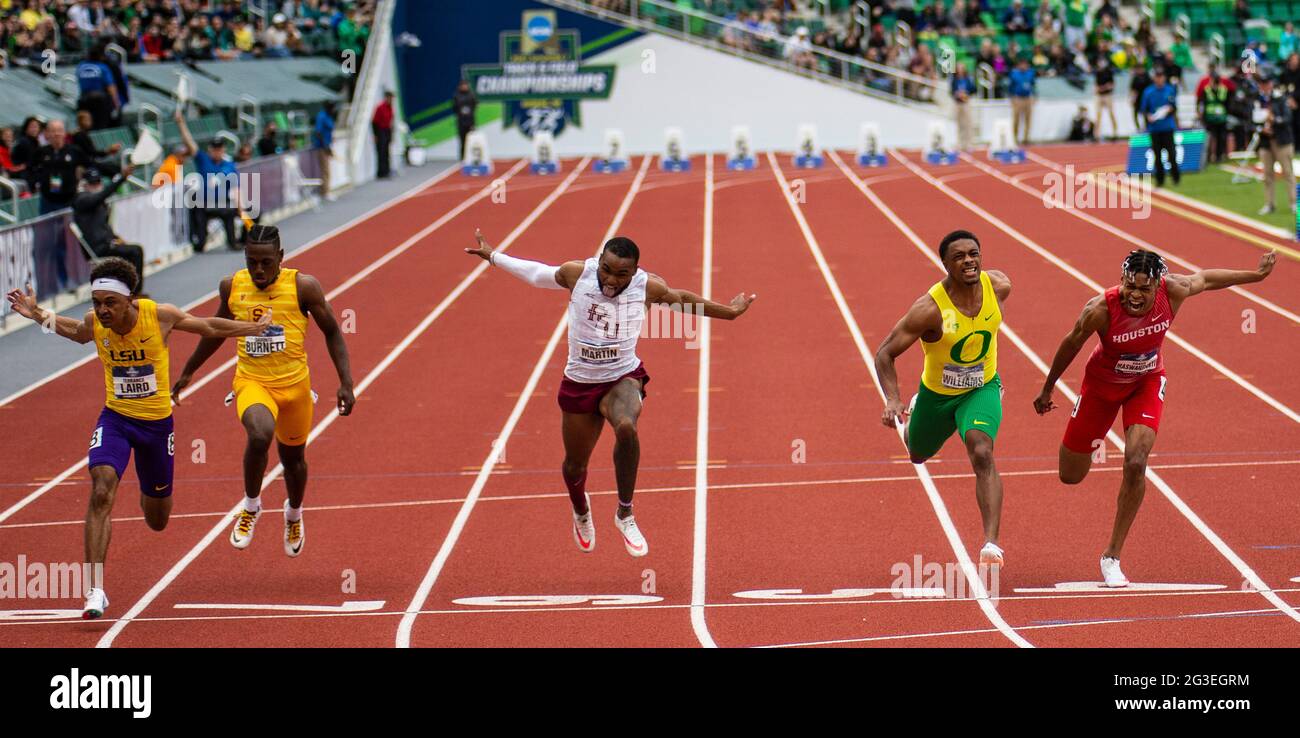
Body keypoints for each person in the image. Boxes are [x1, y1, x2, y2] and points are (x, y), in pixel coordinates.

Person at [4, 259, 268, 619]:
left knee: (157, 519)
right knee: (101, 488)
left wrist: (251, 328)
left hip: (157, 428)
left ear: (129, 299)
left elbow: (207, 325)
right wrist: (37, 315)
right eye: (96, 302)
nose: (101, 310)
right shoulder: (95, 323)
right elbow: (76, 332)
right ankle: (95, 589)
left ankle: (150, 494)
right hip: (116, 419)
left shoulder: (159, 316)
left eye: (109, 302)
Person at [465, 232, 756, 556]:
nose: (611, 279)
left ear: (634, 272)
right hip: (579, 382)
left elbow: (682, 299)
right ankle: (580, 510)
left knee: (627, 427)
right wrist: (493, 256)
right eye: (607, 269)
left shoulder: (648, 287)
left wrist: (728, 312)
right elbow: (536, 274)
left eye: (621, 274)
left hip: (622, 377)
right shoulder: (577, 274)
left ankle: (625, 513)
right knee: (575, 466)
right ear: (598, 261)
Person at [1034, 249, 1277, 587]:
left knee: (1136, 461)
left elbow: (1206, 278)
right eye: (1129, 286)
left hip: (1146, 383)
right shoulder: (1100, 309)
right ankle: (1087, 449)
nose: (1134, 295)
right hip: (1101, 389)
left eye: (1144, 290)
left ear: (1157, 286)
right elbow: (1071, 342)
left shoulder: (1173, 290)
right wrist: (1048, 388)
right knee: (1070, 475)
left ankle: (1112, 556)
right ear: (1122, 280)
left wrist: (1256, 275)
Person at [173, 225, 355, 556]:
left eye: (266, 262)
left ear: (281, 258)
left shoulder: (304, 287)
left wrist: (346, 382)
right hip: (252, 381)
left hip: (295, 385)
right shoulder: (232, 286)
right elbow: (215, 329)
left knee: (293, 459)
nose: (258, 270)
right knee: (259, 435)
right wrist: (189, 371)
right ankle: (251, 506)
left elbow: (332, 331)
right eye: (252, 261)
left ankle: (294, 513)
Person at [876, 230, 1013, 568]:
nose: (969, 261)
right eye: (959, 257)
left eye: (973, 253)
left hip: (981, 387)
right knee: (918, 455)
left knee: (981, 449)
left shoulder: (998, 286)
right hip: (937, 396)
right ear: (946, 264)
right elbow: (884, 353)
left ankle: (991, 544)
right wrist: (893, 399)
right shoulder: (929, 310)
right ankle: (915, 409)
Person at [72, 166, 147, 293]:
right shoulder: (81, 200)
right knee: (136, 251)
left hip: (107, 243)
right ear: (85, 184)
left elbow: (103, 226)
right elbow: (99, 197)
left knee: (134, 250)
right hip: (99, 248)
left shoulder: (98, 201)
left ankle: (128, 289)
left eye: (98, 182)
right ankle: (134, 293)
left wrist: (116, 238)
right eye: (93, 183)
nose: (97, 185)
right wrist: (121, 178)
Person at [192, 137, 245, 251]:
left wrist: (240, 208)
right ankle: (200, 241)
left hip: (222, 203)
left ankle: (234, 241)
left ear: (223, 149)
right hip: (204, 203)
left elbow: (236, 188)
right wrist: (181, 123)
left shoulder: (229, 166)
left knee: (233, 211)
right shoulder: (203, 160)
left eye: (219, 149)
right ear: (210, 150)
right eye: (214, 149)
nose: (217, 151)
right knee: (196, 206)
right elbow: (191, 145)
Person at [1253, 71, 1296, 214]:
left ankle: (1293, 203)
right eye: (1262, 83)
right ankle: (1269, 204)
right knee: (1267, 175)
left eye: (1266, 83)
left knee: (1288, 173)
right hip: (1265, 141)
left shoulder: (1280, 98)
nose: (1264, 86)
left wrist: (1275, 120)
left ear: (1271, 84)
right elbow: (1251, 119)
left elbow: (1288, 118)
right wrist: (1261, 129)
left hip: (1282, 140)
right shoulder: (1257, 99)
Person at [1138, 66, 1180, 187]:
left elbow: (1174, 106)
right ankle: (1160, 180)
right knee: (1157, 155)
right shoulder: (1148, 92)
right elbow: (1143, 109)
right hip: (1154, 129)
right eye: (1157, 76)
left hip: (1167, 127)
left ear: (1164, 77)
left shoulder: (1169, 90)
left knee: (1171, 154)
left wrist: (1169, 110)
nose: (1159, 79)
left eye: (1161, 76)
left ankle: (1175, 177)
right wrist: (1148, 117)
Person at [75, 43, 120, 131]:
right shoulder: (103, 67)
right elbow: (111, 87)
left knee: (85, 127)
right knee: (100, 127)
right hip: (100, 102)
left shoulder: (81, 66)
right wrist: (116, 103)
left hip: (84, 100)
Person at [1197, 65, 1234, 164]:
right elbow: (1201, 101)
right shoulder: (1207, 89)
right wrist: (1201, 114)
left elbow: (1228, 101)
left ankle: (1218, 156)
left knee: (1220, 137)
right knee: (1210, 137)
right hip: (1209, 117)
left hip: (1221, 118)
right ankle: (1208, 156)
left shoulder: (1223, 89)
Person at [1009, 56, 1037, 144]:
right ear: (1019, 65)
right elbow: (1010, 86)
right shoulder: (1014, 73)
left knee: (1028, 119)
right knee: (1016, 119)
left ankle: (1026, 138)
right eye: (1022, 64)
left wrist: (1034, 96)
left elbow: (1033, 85)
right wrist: (1012, 97)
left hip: (1028, 98)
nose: (1023, 66)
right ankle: (1014, 138)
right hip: (1018, 98)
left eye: (1025, 65)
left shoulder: (1030, 73)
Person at [312, 102, 335, 201]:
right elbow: (318, 132)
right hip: (322, 147)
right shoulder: (321, 116)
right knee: (325, 170)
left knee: (326, 170)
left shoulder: (329, 116)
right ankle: (325, 192)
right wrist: (325, 145)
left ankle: (324, 191)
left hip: (327, 146)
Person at [951, 63, 977, 150]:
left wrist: (966, 93)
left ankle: (969, 143)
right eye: (959, 68)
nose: (960, 70)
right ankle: (959, 143)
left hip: (966, 103)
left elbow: (974, 89)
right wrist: (957, 94)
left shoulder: (968, 79)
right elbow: (951, 91)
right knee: (959, 124)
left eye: (962, 68)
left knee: (968, 124)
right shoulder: (954, 80)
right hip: (958, 103)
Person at [1094, 50, 1118, 140]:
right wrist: (1104, 87)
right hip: (1100, 95)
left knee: (1111, 114)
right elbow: (1096, 88)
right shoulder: (1098, 73)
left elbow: (1111, 85)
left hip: (1108, 95)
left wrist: (1103, 88)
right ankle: (1096, 135)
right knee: (1098, 115)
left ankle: (1115, 133)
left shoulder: (1109, 72)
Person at [372, 89, 395, 179]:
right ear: (386, 97)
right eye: (390, 98)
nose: (391, 100)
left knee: (386, 152)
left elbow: (391, 120)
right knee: (381, 152)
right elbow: (374, 122)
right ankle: (381, 173)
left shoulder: (390, 107)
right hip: (380, 131)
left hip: (387, 130)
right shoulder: (380, 107)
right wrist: (376, 135)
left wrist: (391, 133)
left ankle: (387, 171)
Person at [454, 80, 477, 162]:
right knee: (462, 141)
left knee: (472, 141)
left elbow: (475, 105)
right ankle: (462, 158)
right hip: (461, 122)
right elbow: (455, 108)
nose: (464, 87)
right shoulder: (457, 96)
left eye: (465, 85)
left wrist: (469, 112)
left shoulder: (471, 95)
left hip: (470, 121)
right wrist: (461, 112)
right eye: (462, 85)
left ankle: (472, 158)